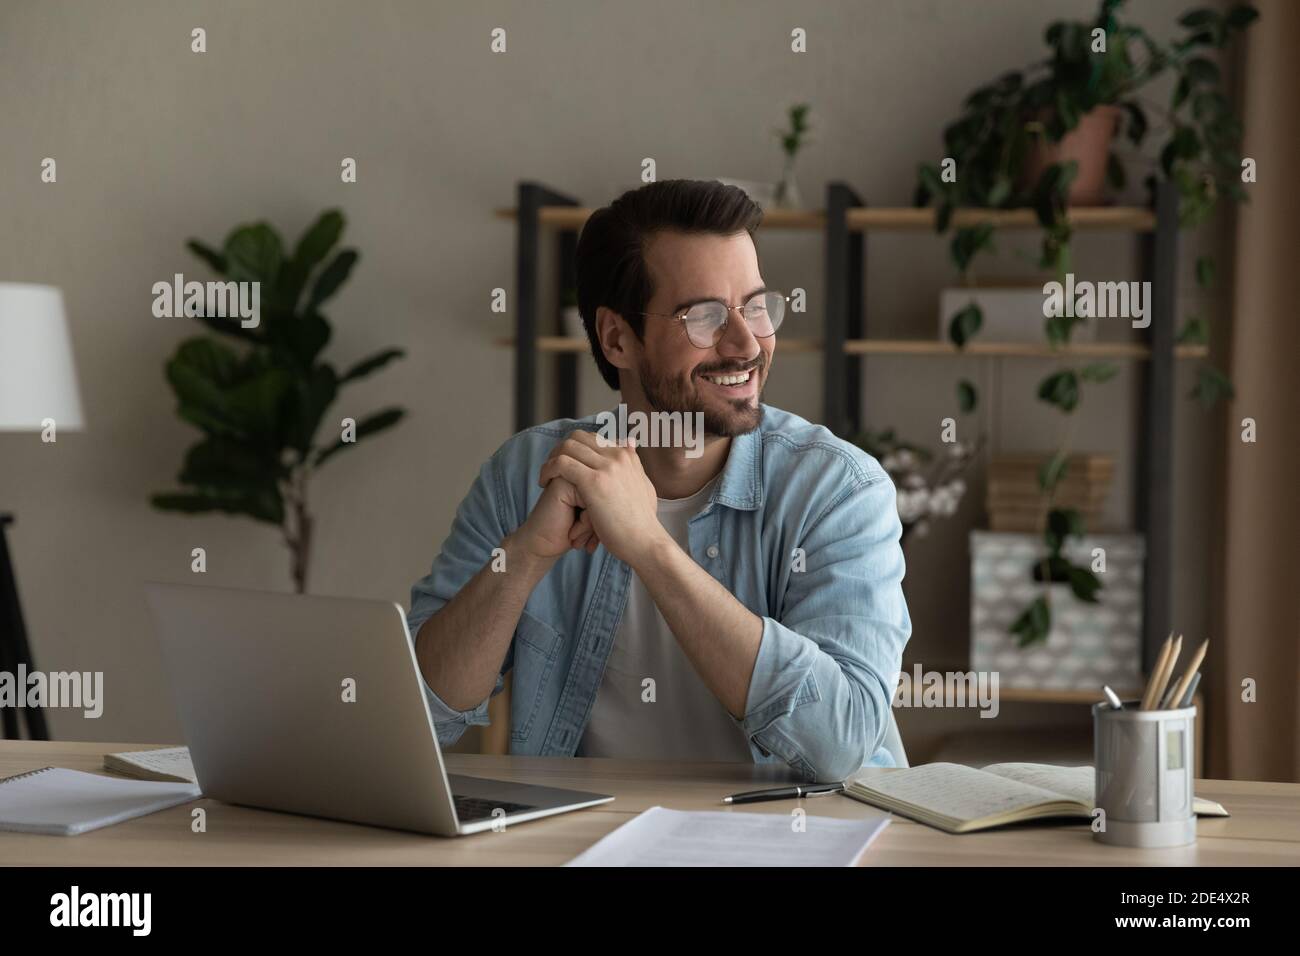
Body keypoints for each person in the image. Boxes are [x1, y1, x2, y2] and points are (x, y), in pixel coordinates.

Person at [407, 179, 910, 781]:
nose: (747, 342)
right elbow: (420, 714)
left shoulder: (839, 490)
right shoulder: (526, 474)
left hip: (793, 843)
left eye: (756, 306)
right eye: (703, 317)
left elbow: (842, 745)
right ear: (618, 338)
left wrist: (649, 547)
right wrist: (525, 556)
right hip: (585, 841)